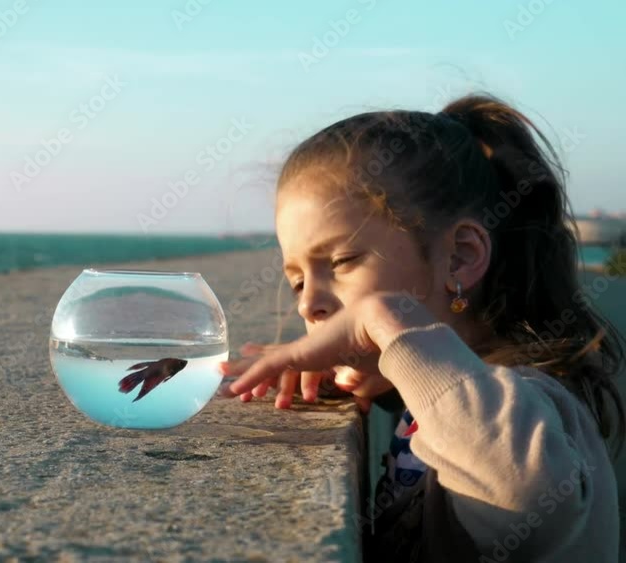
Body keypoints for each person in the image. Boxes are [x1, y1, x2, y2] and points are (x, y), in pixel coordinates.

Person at [218, 94, 623, 562]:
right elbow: (450, 403)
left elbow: (520, 490)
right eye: (297, 280)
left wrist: (383, 319)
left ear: (460, 256)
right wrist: (386, 376)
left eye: (343, 261)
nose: (309, 302)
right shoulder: (460, 400)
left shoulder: (539, 406)